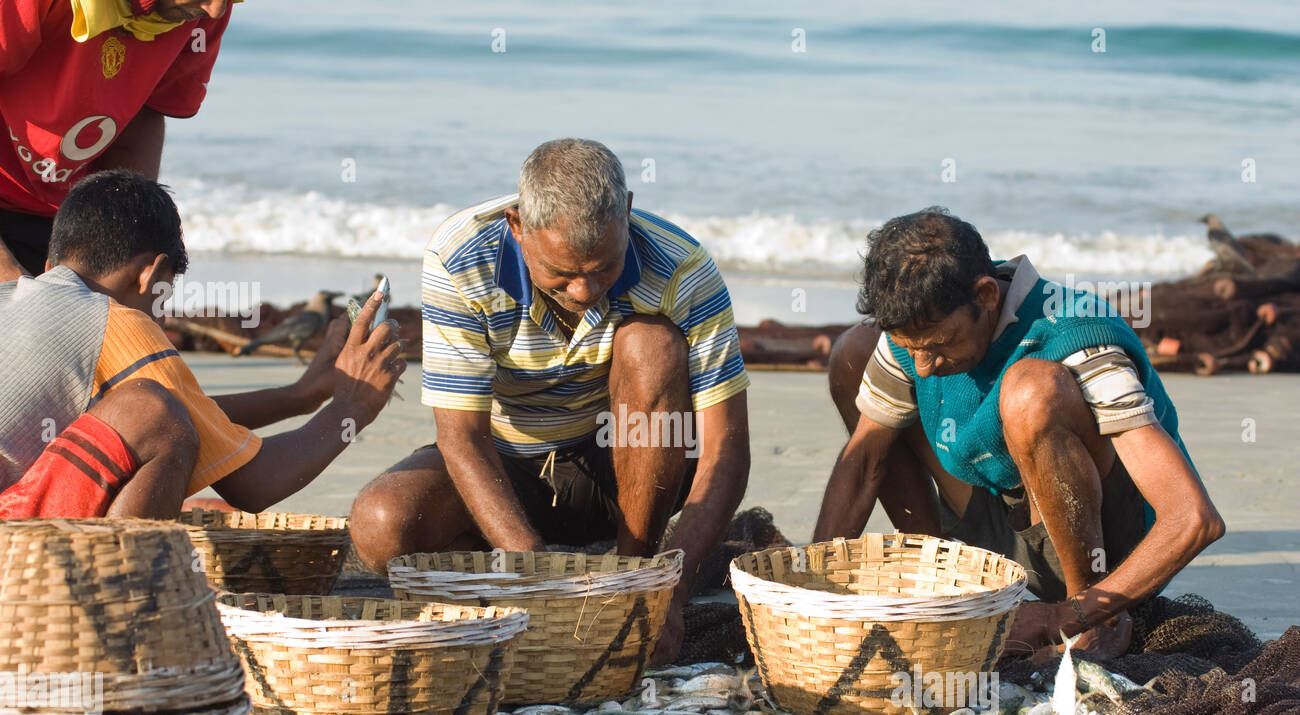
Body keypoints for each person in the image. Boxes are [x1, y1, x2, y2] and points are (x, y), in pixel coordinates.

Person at [350, 138, 751, 665]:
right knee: (383, 524)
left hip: (629, 471)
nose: (584, 291)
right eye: (561, 274)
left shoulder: (681, 266)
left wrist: (668, 591)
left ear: (627, 213)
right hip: (509, 464)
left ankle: (631, 570)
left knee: (650, 345)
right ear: (517, 227)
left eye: (603, 268)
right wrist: (535, 580)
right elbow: (462, 437)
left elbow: (727, 447)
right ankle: (532, 567)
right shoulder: (460, 257)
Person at [813, 207, 1224, 662]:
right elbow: (866, 462)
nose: (925, 366)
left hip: (1109, 549)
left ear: (986, 295)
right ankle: (942, 580)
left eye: (940, 345)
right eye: (914, 350)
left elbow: (1193, 519)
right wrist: (807, 592)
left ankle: (1094, 621)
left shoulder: (1078, 334)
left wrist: (1065, 615)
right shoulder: (916, 333)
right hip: (1002, 519)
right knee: (854, 351)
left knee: (1030, 391)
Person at [0, 169, 404, 519]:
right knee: (152, 412)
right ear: (150, 275)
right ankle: (116, 593)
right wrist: (354, 407)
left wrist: (302, 396)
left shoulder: (16, 296)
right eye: (164, 293)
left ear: (52, 266)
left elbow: (196, 415)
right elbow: (256, 484)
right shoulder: (117, 322)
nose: (160, 314)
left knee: (155, 408)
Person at [0, 0, 236, 278]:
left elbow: (144, 112)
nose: (216, 10)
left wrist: (127, 246)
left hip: (68, 214)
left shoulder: (201, 9)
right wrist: (9, 277)